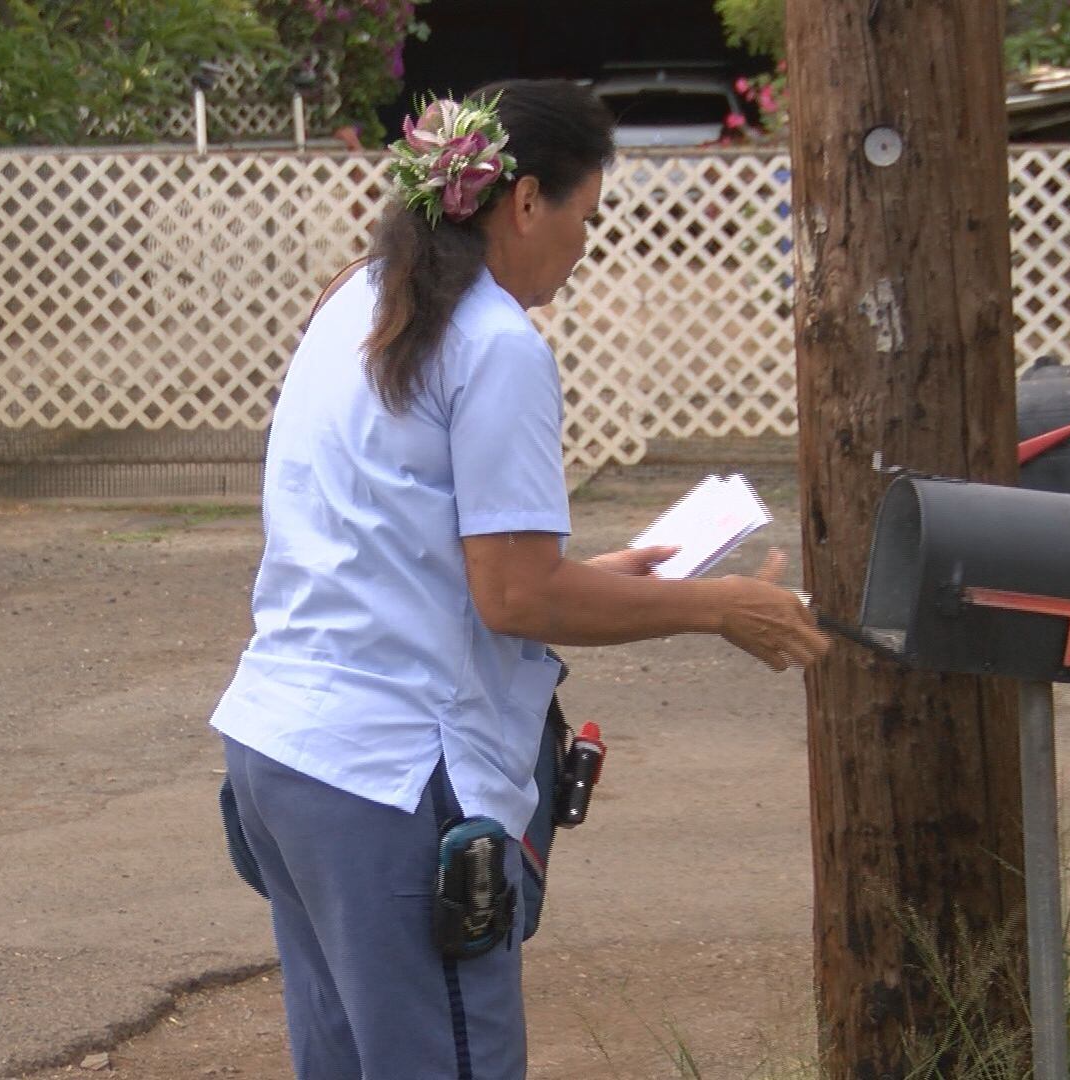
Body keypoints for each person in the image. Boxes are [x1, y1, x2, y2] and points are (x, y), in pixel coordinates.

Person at [210, 78, 830, 1080]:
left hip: (282, 756)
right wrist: (719, 606)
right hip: (392, 777)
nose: (584, 251)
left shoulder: (355, 299)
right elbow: (517, 598)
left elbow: (411, 548)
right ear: (527, 201)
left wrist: (604, 577)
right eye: (585, 218)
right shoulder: (496, 343)